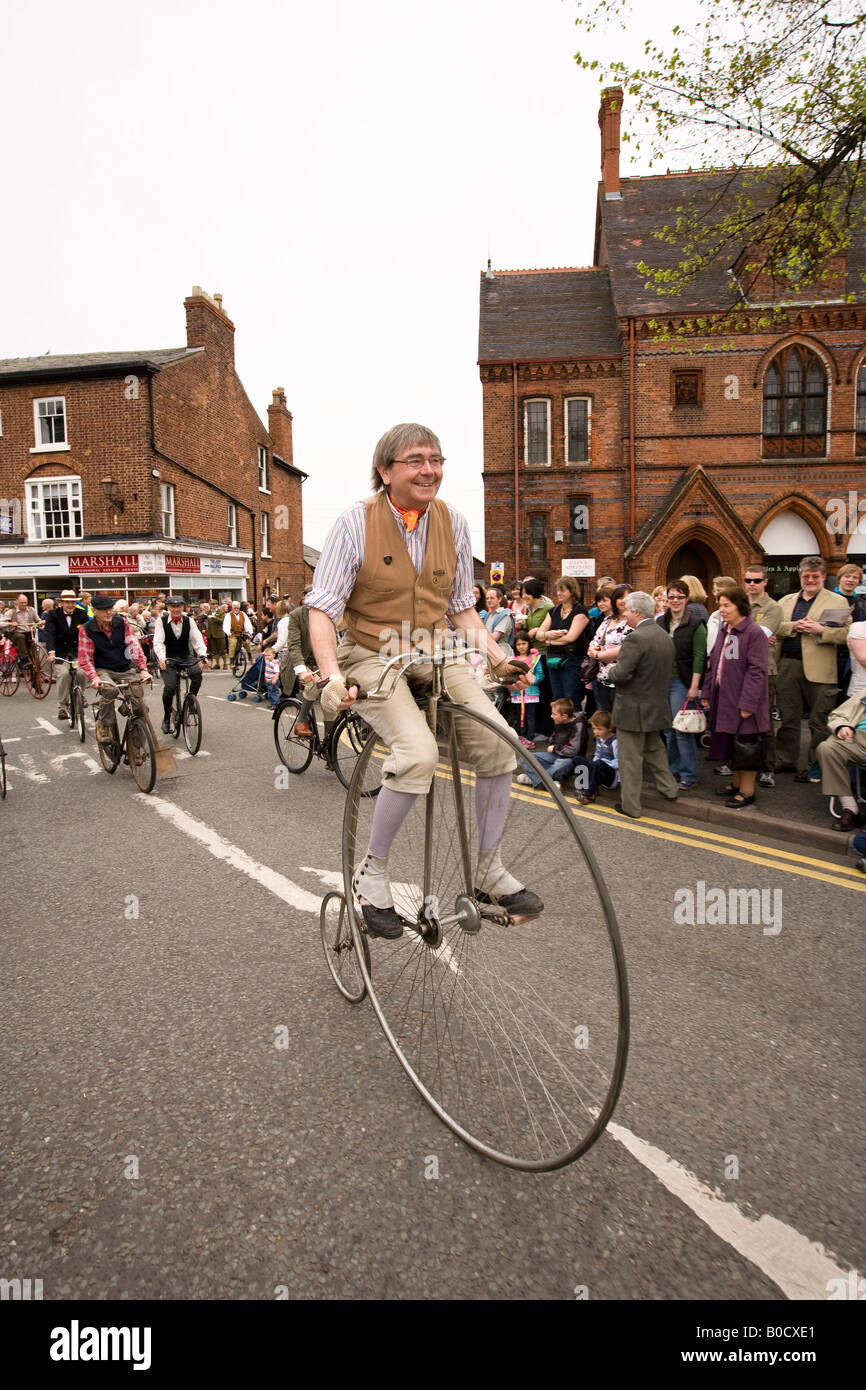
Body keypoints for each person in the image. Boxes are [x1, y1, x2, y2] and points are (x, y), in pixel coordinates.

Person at [307, 421, 538, 938]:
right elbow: (322, 608)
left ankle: (487, 869)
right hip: (371, 651)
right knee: (418, 754)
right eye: (415, 460)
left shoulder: (453, 523)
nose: (429, 469)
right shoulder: (354, 523)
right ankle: (374, 874)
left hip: (437, 650)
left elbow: (462, 610)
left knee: (502, 745)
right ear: (385, 471)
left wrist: (499, 658)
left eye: (436, 460)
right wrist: (330, 676)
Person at [776, 556, 851, 781]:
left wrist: (820, 630)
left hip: (821, 668)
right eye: (806, 576)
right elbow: (774, 627)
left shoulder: (837, 601)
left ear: (823, 577)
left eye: (815, 576)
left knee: (819, 720)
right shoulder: (786, 601)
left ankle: (816, 765)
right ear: (800, 576)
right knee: (788, 717)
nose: (810, 580)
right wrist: (793, 626)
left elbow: (847, 634)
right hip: (788, 664)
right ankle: (786, 759)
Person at [606, 591, 679, 818]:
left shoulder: (635, 638)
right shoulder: (663, 636)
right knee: (655, 750)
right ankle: (670, 789)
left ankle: (631, 807)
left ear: (637, 612)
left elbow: (621, 673)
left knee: (630, 760)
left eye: (627, 609)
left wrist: (611, 670)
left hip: (632, 709)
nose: (624, 613)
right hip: (655, 705)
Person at [701, 587, 770, 809]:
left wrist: (748, 704)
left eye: (726, 605)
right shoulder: (725, 629)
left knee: (747, 745)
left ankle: (747, 791)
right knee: (733, 744)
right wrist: (708, 692)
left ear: (740, 606)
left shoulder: (753, 632)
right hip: (725, 698)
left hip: (744, 701)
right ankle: (736, 783)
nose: (721, 610)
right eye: (720, 605)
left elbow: (757, 671)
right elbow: (714, 664)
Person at [77, 594, 150, 743]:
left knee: (140, 707)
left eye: (110, 609)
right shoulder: (87, 629)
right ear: (94, 611)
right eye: (104, 610)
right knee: (110, 690)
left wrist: (143, 669)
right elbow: (85, 658)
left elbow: (133, 646)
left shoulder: (121, 623)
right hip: (102, 669)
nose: (108, 613)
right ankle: (103, 724)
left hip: (124, 668)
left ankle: (137, 748)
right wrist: (94, 677)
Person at [657, 579, 708, 790]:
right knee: (668, 729)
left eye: (680, 597)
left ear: (686, 599)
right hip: (662, 681)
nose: (675, 601)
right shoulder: (660, 622)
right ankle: (673, 770)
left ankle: (689, 774)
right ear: (666, 599)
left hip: (682, 682)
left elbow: (699, 657)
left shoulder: (696, 624)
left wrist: (694, 686)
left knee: (682, 729)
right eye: (672, 597)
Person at [744, 563, 784, 788]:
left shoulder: (773, 608)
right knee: (739, 721)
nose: (752, 585)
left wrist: (750, 635)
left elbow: (759, 636)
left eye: (756, 580)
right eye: (748, 580)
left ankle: (768, 768)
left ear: (765, 582)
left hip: (763, 671)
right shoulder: (740, 603)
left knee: (764, 722)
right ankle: (739, 764)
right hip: (739, 671)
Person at [153, 595, 208, 733]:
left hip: (184, 656)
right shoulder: (162, 621)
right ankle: (166, 717)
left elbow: (197, 639)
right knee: (170, 687)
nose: (176, 609)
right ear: (168, 607)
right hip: (169, 658)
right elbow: (158, 641)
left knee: (197, 673)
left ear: (183, 607)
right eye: (173, 606)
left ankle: (190, 701)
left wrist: (202, 655)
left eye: (178, 606)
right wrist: (162, 657)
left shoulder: (189, 620)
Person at [534, 575, 590, 707]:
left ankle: (575, 727)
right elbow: (539, 635)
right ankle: (560, 727)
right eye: (558, 590)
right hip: (553, 660)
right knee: (557, 699)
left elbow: (571, 637)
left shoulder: (580, 611)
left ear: (572, 591)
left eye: (562, 590)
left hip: (572, 660)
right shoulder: (554, 611)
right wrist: (548, 634)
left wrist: (549, 641)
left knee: (571, 699)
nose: (559, 593)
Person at [816, 689, 866, 831]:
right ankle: (850, 809)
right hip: (856, 738)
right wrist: (842, 726)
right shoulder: (864, 693)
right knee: (827, 748)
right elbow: (838, 714)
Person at [515, 697, 585, 790]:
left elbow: (573, 750)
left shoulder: (578, 726)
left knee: (559, 765)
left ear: (564, 716)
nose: (551, 716)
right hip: (555, 755)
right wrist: (554, 747)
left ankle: (535, 780)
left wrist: (555, 748)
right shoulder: (559, 721)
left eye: (554, 714)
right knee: (525, 758)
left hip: (570, 759)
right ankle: (544, 782)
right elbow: (552, 739)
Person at [44, 590, 88, 718]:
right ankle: (62, 706)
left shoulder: (82, 614)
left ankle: (82, 695)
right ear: (61, 603)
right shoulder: (53, 615)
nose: (70, 605)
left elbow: (88, 632)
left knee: (82, 672)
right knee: (64, 674)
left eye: (73, 602)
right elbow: (49, 634)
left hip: (76, 651)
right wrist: (51, 652)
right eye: (67, 602)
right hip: (59, 651)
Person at [587, 583, 631, 714]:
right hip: (602, 676)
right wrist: (593, 649)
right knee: (604, 717)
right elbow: (595, 640)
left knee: (620, 717)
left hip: (621, 679)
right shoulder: (607, 620)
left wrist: (598, 655)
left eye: (627, 598)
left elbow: (626, 649)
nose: (623, 601)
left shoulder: (632, 621)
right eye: (620, 598)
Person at [572, 708, 620, 805]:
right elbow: (597, 754)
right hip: (598, 770)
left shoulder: (615, 742)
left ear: (610, 728)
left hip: (612, 777)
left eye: (599, 729)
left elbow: (619, 762)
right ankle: (583, 788)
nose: (595, 732)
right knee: (577, 759)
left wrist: (600, 764)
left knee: (598, 763)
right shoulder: (599, 738)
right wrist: (593, 764)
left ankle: (590, 795)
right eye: (594, 728)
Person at [506, 630, 542, 747]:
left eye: (524, 643)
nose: (521, 647)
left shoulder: (535, 659)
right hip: (517, 693)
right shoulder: (512, 659)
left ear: (528, 644)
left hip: (531, 693)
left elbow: (540, 675)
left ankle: (529, 738)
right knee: (519, 716)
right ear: (515, 646)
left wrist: (532, 680)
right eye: (518, 644)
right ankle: (521, 737)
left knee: (530, 717)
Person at [482, 585, 514, 658]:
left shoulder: (504, 615)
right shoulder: (487, 615)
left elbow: (494, 638)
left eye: (492, 598)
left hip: (501, 652)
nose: (489, 600)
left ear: (499, 599)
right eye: (487, 598)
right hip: (489, 652)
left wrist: (480, 630)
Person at [207, 603, 228, 669]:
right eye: (212, 604)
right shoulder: (208, 612)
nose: (212, 606)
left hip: (219, 634)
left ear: (217, 605)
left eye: (214, 604)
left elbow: (221, 620)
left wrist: (213, 617)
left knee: (222, 650)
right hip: (211, 634)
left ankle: (225, 664)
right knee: (214, 650)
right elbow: (201, 617)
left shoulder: (221, 612)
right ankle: (217, 664)